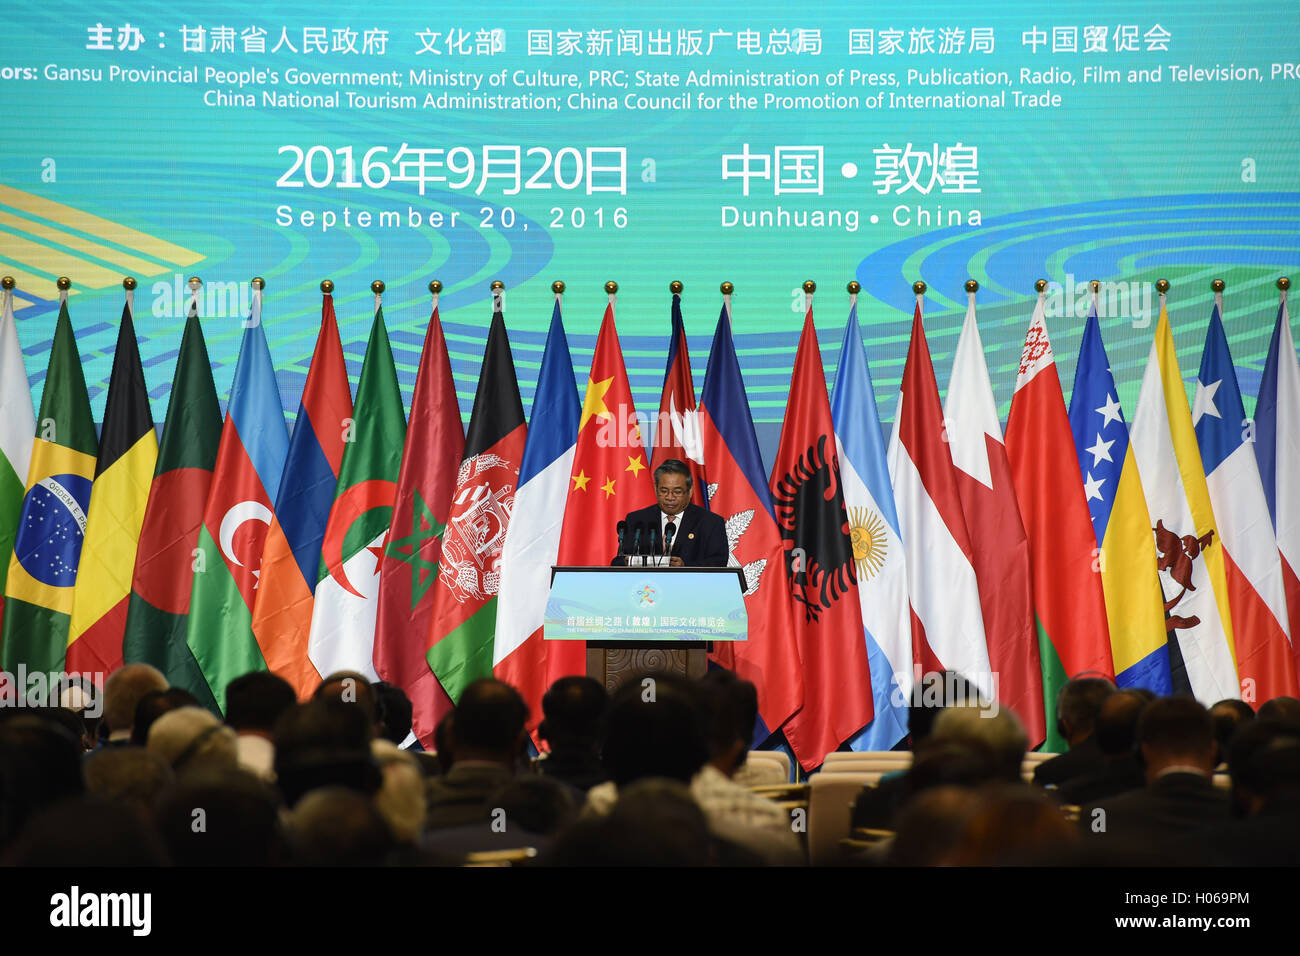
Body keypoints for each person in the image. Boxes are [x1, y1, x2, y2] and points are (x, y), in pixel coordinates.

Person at [613, 459, 727, 567]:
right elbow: (618, 562)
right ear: (656, 488)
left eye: (677, 492)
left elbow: (718, 563)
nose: (670, 497)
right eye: (664, 491)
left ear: (690, 491)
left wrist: (686, 567)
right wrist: (628, 562)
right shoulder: (637, 520)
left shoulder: (710, 523)